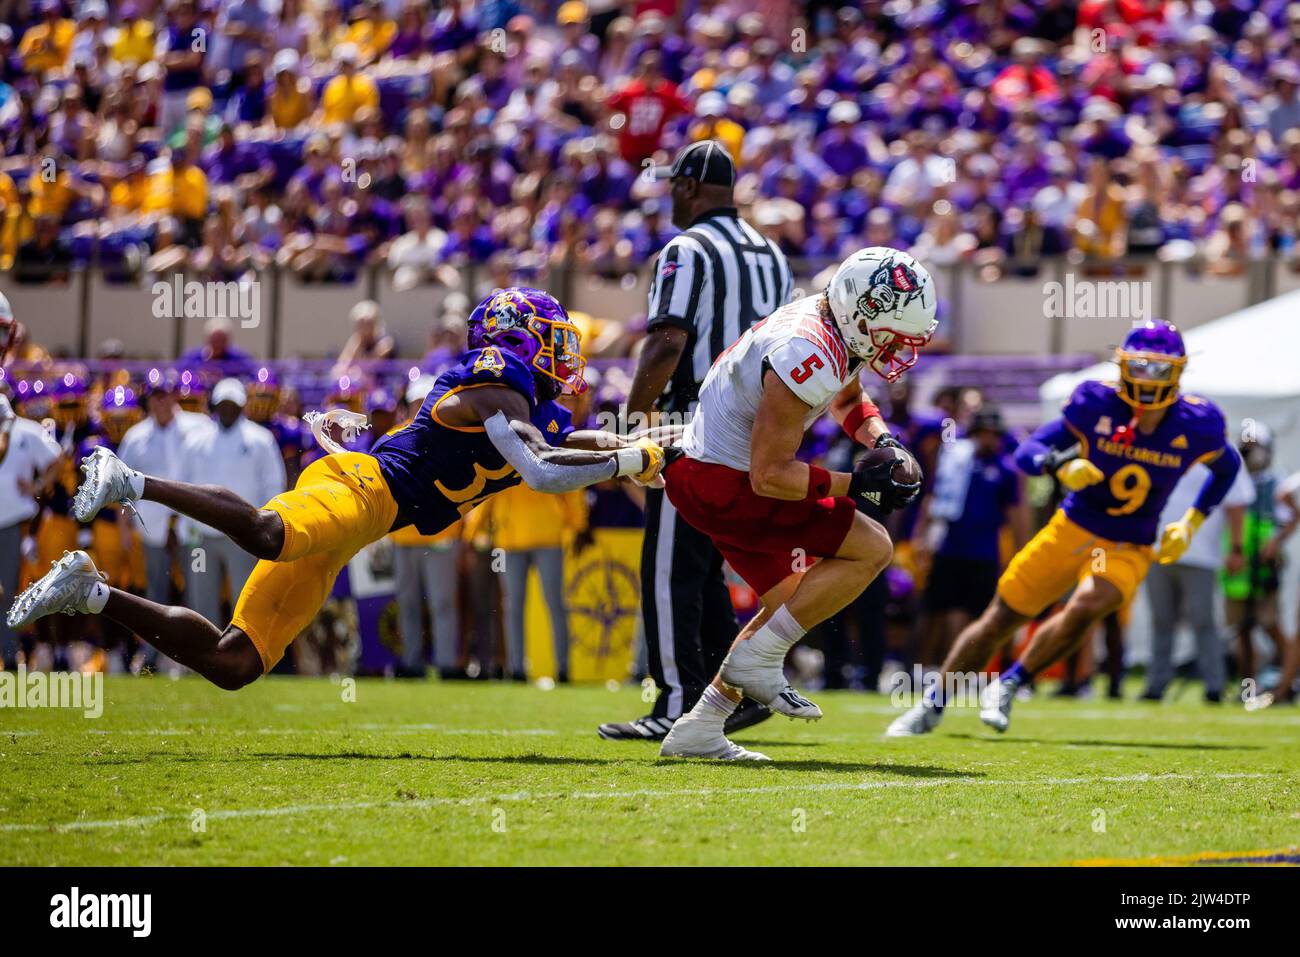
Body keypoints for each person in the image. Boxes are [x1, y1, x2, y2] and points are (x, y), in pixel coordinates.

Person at [9, 290, 668, 689]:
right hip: (362, 485)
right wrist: (627, 458)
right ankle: (130, 478)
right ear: (516, 339)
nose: (564, 355)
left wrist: (638, 446)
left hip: (368, 524)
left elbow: (564, 445)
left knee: (234, 662)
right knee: (269, 530)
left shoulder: (530, 404)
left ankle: (89, 590)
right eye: (551, 340)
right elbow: (544, 469)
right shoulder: (491, 381)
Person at [888, 320, 1243, 737]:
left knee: (1089, 605)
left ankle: (1010, 683)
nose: (1147, 379)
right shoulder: (1096, 404)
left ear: (1178, 371)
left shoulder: (1196, 422)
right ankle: (932, 705)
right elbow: (1029, 450)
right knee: (1000, 618)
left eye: (1159, 369)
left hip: (1129, 541)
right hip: (1072, 527)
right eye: (1140, 367)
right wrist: (1060, 465)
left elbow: (1228, 467)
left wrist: (1192, 520)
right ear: (1123, 366)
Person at [658, 246, 938, 760]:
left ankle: (700, 728)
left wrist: (884, 443)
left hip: (713, 475)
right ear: (862, 313)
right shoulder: (806, 350)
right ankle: (760, 661)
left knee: (793, 597)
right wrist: (859, 485)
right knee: (872, 547)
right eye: (891, 337)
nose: (898, 350)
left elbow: (850, 401)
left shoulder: (831, 322)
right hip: (725, 482)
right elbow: (770, 477)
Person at [597, 140, 793, 742]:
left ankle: (678, 698)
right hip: (757, 431)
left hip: (694, 427)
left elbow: (667, 341)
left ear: (686, 187)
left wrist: (634, 420)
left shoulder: (687, 247)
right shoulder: (772, 255)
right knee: (706, 569)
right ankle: (727, 695)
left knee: (670, 567)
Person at [911, 406, 1029, 671]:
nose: (987, 439)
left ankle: (959, 671)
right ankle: (922, 669)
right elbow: (933, 498)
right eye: (982, 433)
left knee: (971, 615)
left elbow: (1015, 514)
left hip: (983, 553)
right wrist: (921, 534)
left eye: (992, 434)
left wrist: (1020, 552)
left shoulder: (1005, 469)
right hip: (949, 546)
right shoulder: (955, 462)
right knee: (934, 611)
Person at [178, 377, 286, 633]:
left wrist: (264, 527)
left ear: (241, 407)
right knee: (201, 597)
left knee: (245, 598)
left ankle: (243, 657)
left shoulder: (260, 439)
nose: (227, 410)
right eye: (222, 405)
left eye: (232, 405)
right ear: (215, 406)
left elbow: (273, 485)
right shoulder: (196, 441)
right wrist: (185, 529)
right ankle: (204, 657)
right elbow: (182, 484)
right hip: (201, 538)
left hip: (243, 535)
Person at [1142, 455, 1254, 703]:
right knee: (1161, 620)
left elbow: (1237, 505)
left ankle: (1214, 685)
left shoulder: (1221, 451)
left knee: (1203, 621)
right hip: (1156, 551)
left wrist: (1237, 548)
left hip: (1201, 555)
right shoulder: (1160, 444)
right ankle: (1156, 684)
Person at [115, 371, 212, 651]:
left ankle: (199, 652)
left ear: (175, 396)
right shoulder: (136, 436)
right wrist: (124, 526)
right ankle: (152, 654)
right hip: (152, 526)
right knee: (155, 593)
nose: (162, 402)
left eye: (166, 395)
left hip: (193, 526)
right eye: (156, 396)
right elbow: (120, 485)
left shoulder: (199, 427)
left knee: (198, 587)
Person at [0, 390, 63, 668]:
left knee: (11, 590)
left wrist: (38, 487)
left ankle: (12, 654)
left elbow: (57, 459)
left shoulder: (27, 431)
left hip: (17, 522)